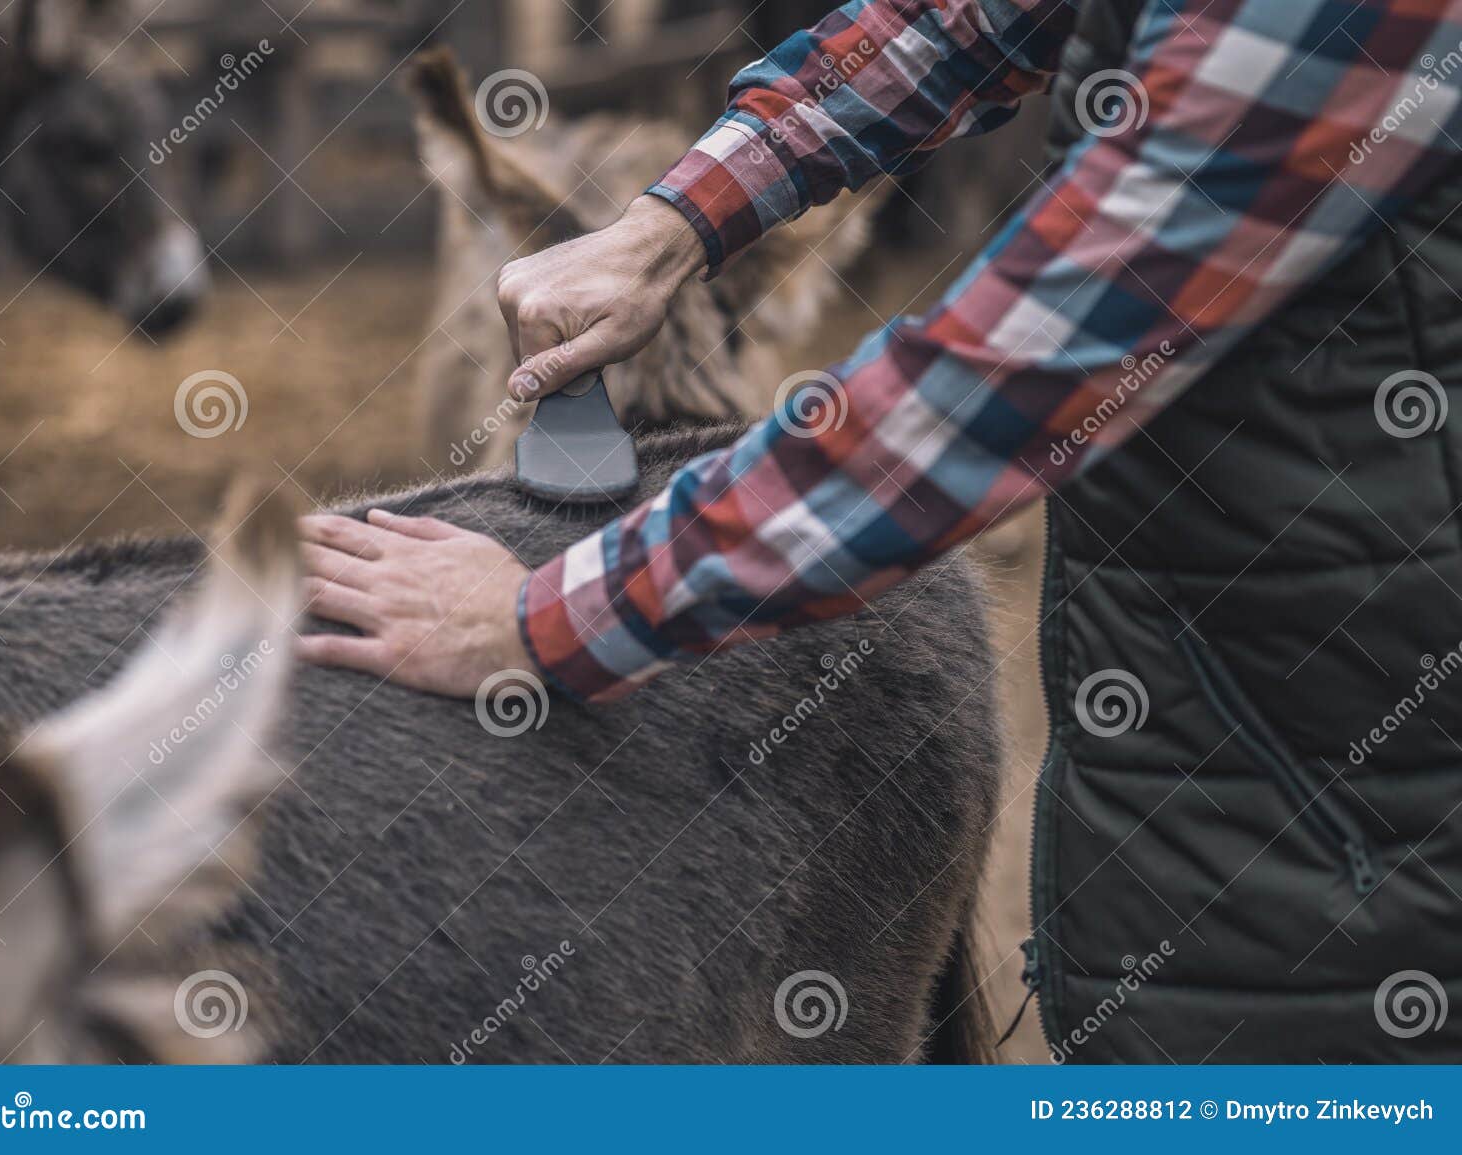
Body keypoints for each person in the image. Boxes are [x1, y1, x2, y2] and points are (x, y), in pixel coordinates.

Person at [297, 0, 1462, 1062]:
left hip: (1367, 748)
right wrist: (673, 219)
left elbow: (1033, 357)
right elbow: (966, 21)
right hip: (1230, 671)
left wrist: (555, 615)